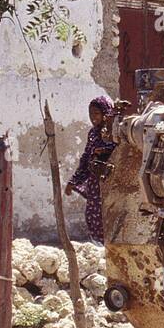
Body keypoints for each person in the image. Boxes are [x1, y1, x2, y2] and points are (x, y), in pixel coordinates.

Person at [65, 96, 117, 243]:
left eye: (96, 113)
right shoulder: (93, 133)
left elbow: (120, 150)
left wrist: (105, 150)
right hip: (96, 183)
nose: (93, 117)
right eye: (90, 113)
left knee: (111, 216)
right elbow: (86, 158)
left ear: (106, 113)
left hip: (112, 182)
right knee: (93, 214)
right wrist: (74, 181)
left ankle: (112, 247)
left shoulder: (115, 132)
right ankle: (100, 248)